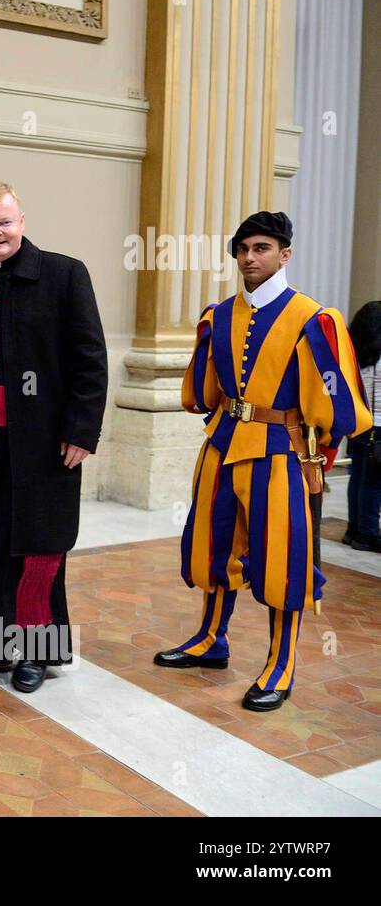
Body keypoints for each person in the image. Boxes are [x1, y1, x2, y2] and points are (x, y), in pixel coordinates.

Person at [156, 211, 372, 711]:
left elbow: (339, 407)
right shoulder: (218, 315)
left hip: (283, 453)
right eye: (243, 250)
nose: (249, 259)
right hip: (222, 445)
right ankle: (211, 640)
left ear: (284, 254)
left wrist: (316, 453)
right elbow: (202, 391)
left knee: (282, 559)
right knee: (211, 547)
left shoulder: (315, 319)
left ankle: (281, 663)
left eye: (261, 249)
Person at [0, 182, 108, 693]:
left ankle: (36, 652)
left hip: (41, 443)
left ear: (22, 221)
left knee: (36, 547)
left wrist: (81, 430)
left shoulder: (64, 273)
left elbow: (90, 359)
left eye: (4, 222)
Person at [344, 300, 381, 551]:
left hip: (358, 422)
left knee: (357, 476)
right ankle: (367, 533)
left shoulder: (353, 352)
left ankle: (354, 529)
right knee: (374, 482)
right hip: (379, 425)